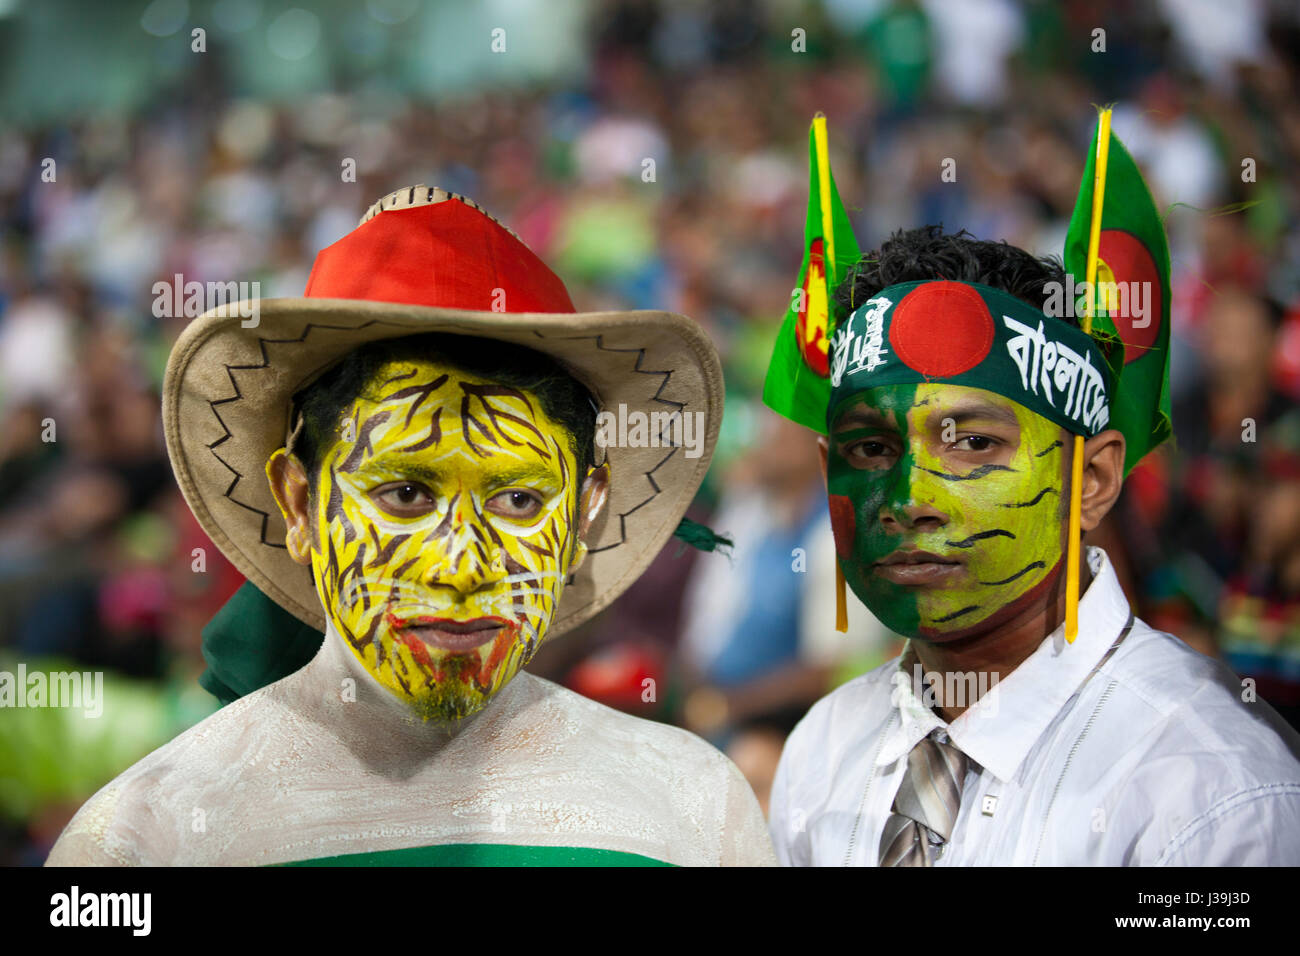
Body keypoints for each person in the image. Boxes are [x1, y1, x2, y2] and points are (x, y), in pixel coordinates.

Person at [46, 186, 775, 867]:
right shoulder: (148, 838)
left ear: (587, 510)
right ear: (298, 503)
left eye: (520, 501)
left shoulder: (694, 809)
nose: (462, 568)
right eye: (403, 494)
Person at [766, 225, 1300, 865]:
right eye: (872, 448)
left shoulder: (1212, 792)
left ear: (1092, 481)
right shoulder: (821, 751)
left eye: (973, 443)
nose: (908, 500)